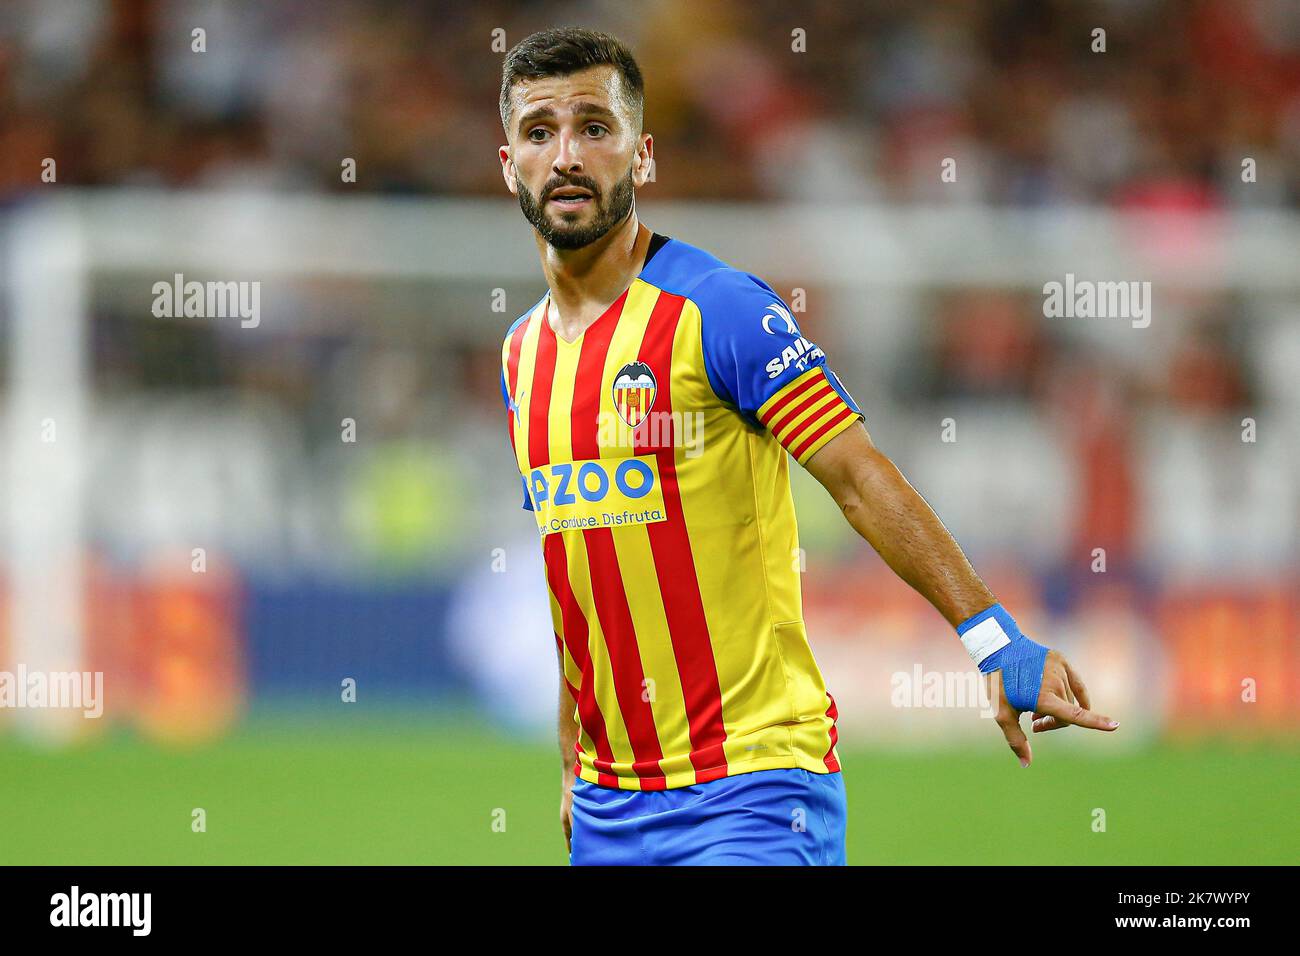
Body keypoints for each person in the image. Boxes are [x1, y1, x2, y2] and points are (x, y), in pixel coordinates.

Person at [496, 27, 1118, 866]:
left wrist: (995, 639)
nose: (567, 154)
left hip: (754, 790)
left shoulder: (719, 310)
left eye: (594, 128)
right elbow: (577, 572)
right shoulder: (521, 356)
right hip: (609, 811)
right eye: (541, 132)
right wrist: (575, 758)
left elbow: (859, 476)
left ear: (642, 157)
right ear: (509, 164)